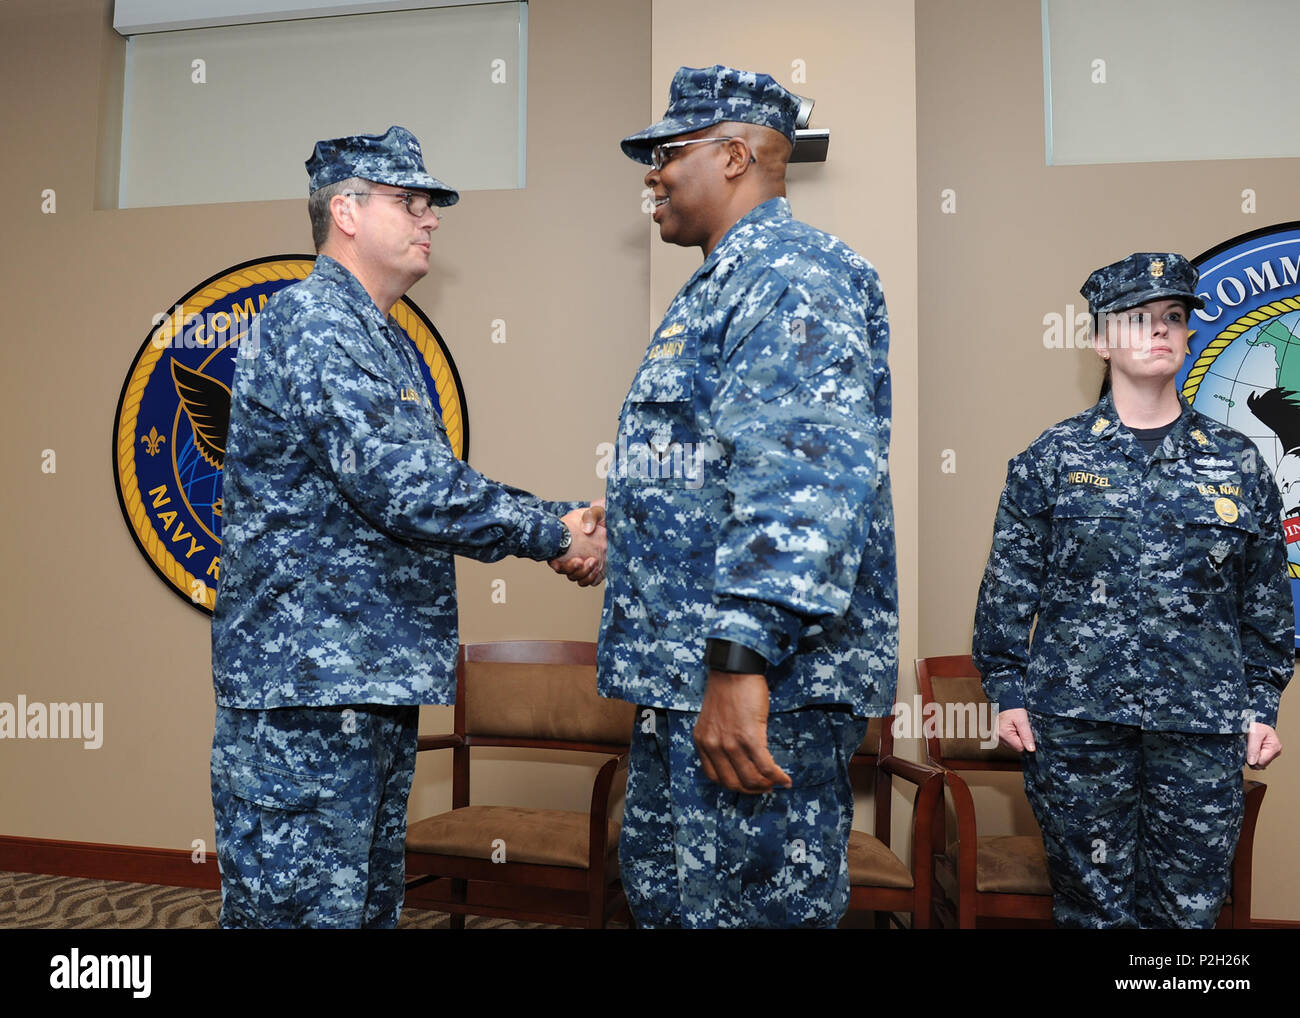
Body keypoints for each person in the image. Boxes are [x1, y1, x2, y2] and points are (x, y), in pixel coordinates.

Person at [210, 125, 605, 929]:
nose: (431, 218)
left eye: (434, 205)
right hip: (308, 694)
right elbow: (407, 489)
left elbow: (415, 489)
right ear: (345, 211)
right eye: (409, 201)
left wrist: (558, 517)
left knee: (357, 912)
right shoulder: (315, 322)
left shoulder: (379, 338)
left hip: (360, 683)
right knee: (301, 916)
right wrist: (555, 531)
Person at [591, 65, 897, 928]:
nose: (652, 173)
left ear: (733, 157)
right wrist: (629, 527)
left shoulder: (791, 274)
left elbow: (803, 481)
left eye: (668, 152)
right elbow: (721, 467)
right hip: (686, 680)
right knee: (676, 907)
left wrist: (740, 660)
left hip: (757, 689)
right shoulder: (725, 281)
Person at [973, 252, 1293, 928]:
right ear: (1099, 340)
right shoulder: (1052, 459)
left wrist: (1262, 706)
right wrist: (1005, 692)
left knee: (1187, 916)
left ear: (1187, 337)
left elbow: (1267, 605)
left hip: (1200, 732)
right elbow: (1007, 591)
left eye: (1174, 318)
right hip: (1077, 728)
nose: (1160, 331)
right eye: (1140, 318)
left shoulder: (1237, 463)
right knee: (1092, 913)